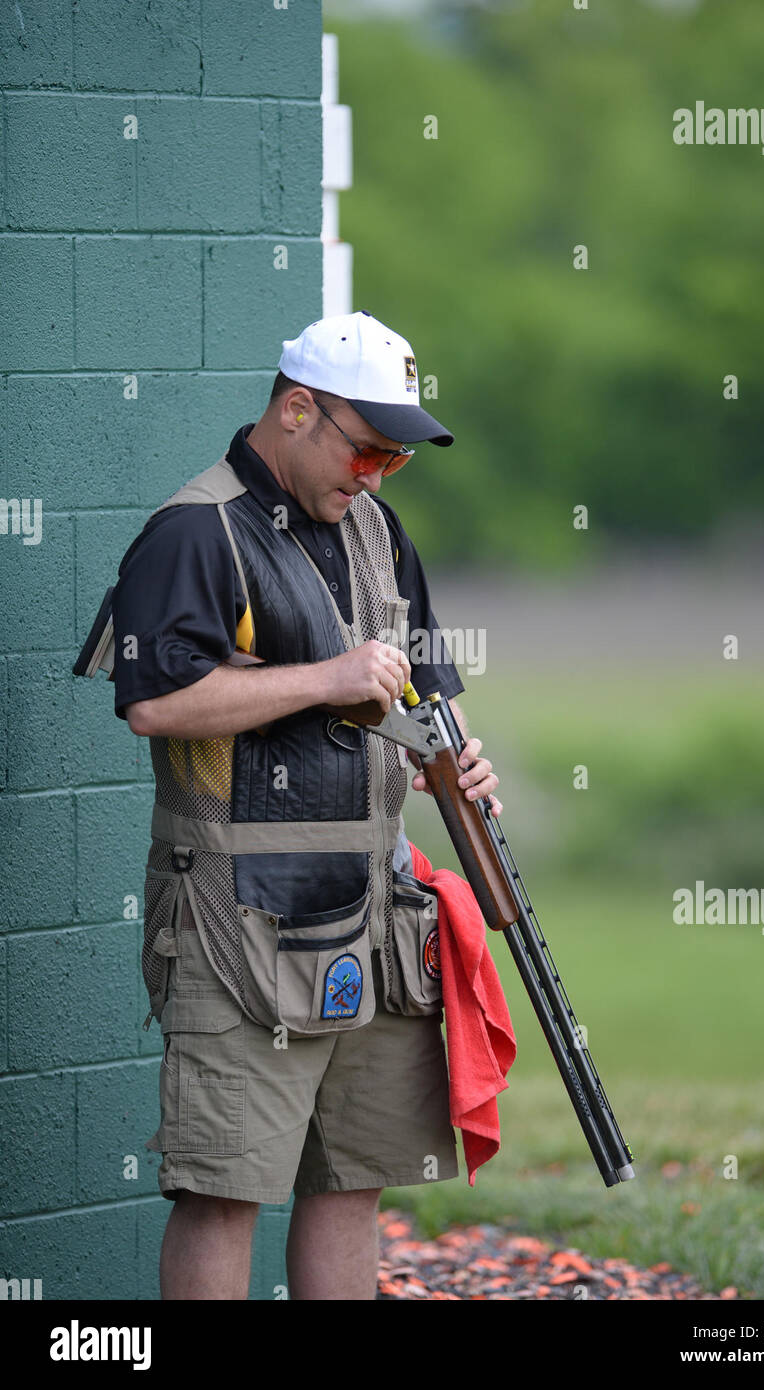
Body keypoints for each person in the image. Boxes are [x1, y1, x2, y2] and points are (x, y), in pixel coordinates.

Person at [111, 310, 502, 1301]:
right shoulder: (193, 530)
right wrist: (325, 678)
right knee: (224, 1194)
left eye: (397, 458)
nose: (377, 473)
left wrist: (453, 758)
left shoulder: (375, 528)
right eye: (366, 447)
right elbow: (154, 702)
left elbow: (424, 693)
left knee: (350, 1185)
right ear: (295, 409)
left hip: (374, 914)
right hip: (236, 921)